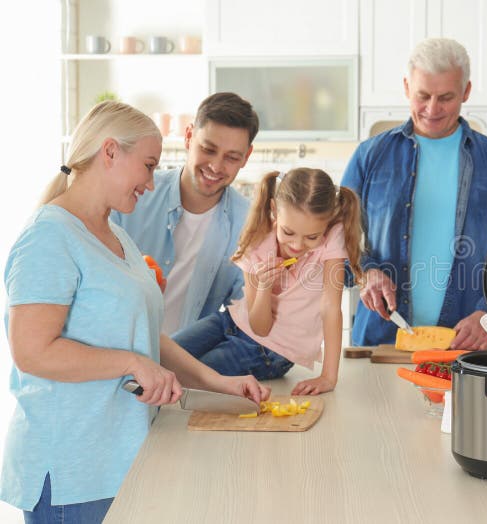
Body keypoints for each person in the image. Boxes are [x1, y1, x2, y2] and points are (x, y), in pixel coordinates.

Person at [0, 101, 268, 524]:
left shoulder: (115, 236)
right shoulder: (49, 236)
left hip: (118, 459)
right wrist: (132, 363)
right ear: (109, 152)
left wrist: (218, 383)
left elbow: (143, 336)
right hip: (73, 469)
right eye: (147, 165)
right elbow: (33, 352)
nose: (150, 182)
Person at [341, 37, 487, 350]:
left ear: (466, 91)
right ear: (406, 87)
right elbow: (335, 238)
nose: (432, 109)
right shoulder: (369, 156)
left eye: (446, 97)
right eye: (423, 95)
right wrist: (366, 273)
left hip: (465, 345)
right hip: (381, 341)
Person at [173, 168, 363, 395]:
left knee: (186, 377)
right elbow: (257, 324)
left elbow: (329, 307)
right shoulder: (257, 239)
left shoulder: (333, 236)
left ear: (328, 222)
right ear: (274, 210)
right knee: (161, 355)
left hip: (268, 351)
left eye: (311, 237)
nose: (297, 245)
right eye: (288, 232)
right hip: (229, 322)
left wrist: (328, 377)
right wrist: (263, 287)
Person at [111, 92, 259, 335]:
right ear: (189, 136)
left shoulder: (250, 225)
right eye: (208, 149)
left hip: (186, 356)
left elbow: (245, 317)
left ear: (246, 157)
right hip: (115, 347)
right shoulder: (135, 194)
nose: (216, 166)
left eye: (232, 157)